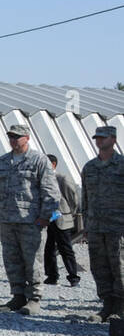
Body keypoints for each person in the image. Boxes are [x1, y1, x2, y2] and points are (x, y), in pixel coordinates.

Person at [0, 124, 59, 315]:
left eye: (17, 137)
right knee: (12, 260)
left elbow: (51, 192)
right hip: (7, 220)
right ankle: (18, 296)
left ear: (27, 138)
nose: (14, 140)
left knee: (33, 261)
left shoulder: (39, 160)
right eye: (11, 137)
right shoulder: (3, 161)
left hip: (31, 221)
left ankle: (34, 298)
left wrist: (45, 217)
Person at [80, 125, 124, 322]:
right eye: (97, 137)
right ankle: (106, 305)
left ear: (113, 140)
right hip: (96, 227)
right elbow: (85, 198)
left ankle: (121, 308)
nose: (100, 141)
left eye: (104, 138)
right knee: (99, 267)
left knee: (120, 267)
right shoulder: (90, 167)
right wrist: (86, 226)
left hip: (118, 227)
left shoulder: (121, 165)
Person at [43, 154, 81, 287]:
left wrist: (69, 212)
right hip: (50, 219)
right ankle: (52, 275)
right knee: (49, 248)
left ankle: (73, 276)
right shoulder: (43, 178)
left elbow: (72, 197)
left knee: (65, 248)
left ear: (53, 164)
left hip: (62, 218)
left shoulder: (62, 179)